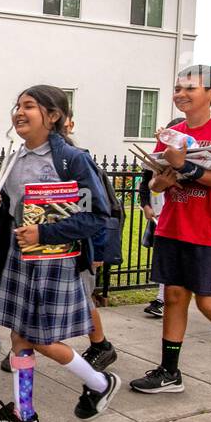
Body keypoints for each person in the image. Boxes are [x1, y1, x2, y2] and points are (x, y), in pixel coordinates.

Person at [0, 85, 120, 422]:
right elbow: (17, 210)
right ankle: (24, 413)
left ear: (52, 116)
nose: (19, 112)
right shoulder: (15, 158)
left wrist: (44, 235)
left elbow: (97, 215)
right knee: (19, 335)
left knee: (37, 338)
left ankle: (99, 383)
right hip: (21, 259)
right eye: (17, 106)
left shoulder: (71, 159)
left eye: (29, 106)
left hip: (53, 263)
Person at [129, 65, 211, 395]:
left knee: (210, 304)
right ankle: (169, 372)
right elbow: (158, 183)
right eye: (177, 88)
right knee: (174, 298)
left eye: (190, 88)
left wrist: (183, 165)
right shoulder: (173, 131)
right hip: (173, 226)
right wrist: (159, 181)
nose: (181, 94)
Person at [68, 115, 120, 372]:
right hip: (57, 245)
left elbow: (101, 210)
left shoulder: (79, 160)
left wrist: (98, 249)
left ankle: (101, 345)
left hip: (83, 245)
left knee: (84, 299)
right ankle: (21, 347)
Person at [140, 116, 186, 318]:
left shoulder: (189, 159)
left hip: (182, 215)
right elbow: (146, 184)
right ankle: (162, 298)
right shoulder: (156, 158)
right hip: (160, 214)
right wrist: (145, 206)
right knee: (164, 255)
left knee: (178, 258)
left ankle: (167, 298)